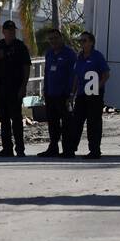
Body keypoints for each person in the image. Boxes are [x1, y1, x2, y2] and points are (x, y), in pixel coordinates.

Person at [0, 20, 32, 157]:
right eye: (8, 30)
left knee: (17, 120)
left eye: (13, 30)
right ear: (3, 31)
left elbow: (26, 67)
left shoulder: (20, 47)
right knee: (4, 121)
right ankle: (7, 148)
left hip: (15, 88)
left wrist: (23, 86)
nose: (11, 32)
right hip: (1, 89)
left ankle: (20, 149)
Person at [65, 31, 110, 159]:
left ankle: (95, 151)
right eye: (80, 41)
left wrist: (97, 86)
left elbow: (106, 74)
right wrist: (72, 94)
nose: (82, 43)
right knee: (76, 122)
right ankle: (71, 149)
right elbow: (76, 77)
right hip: (81, 94)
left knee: (93, 123)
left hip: (94, 94)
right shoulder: (79, 57)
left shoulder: (97, 56)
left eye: (84, 40)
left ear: (91, 42)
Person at [38, 29, 77, 158]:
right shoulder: (49, 53)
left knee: (67, 124)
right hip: (51, 94)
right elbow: (47, 73)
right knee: (52, 123)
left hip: (64, 95)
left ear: (61, 38)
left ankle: (68, 150)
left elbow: (73, 76)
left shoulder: (69, 54)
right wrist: (45, 90)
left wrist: (71, 94)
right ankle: (53, 147)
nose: (53, 41)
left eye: (55, 38)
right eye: (50, 39)